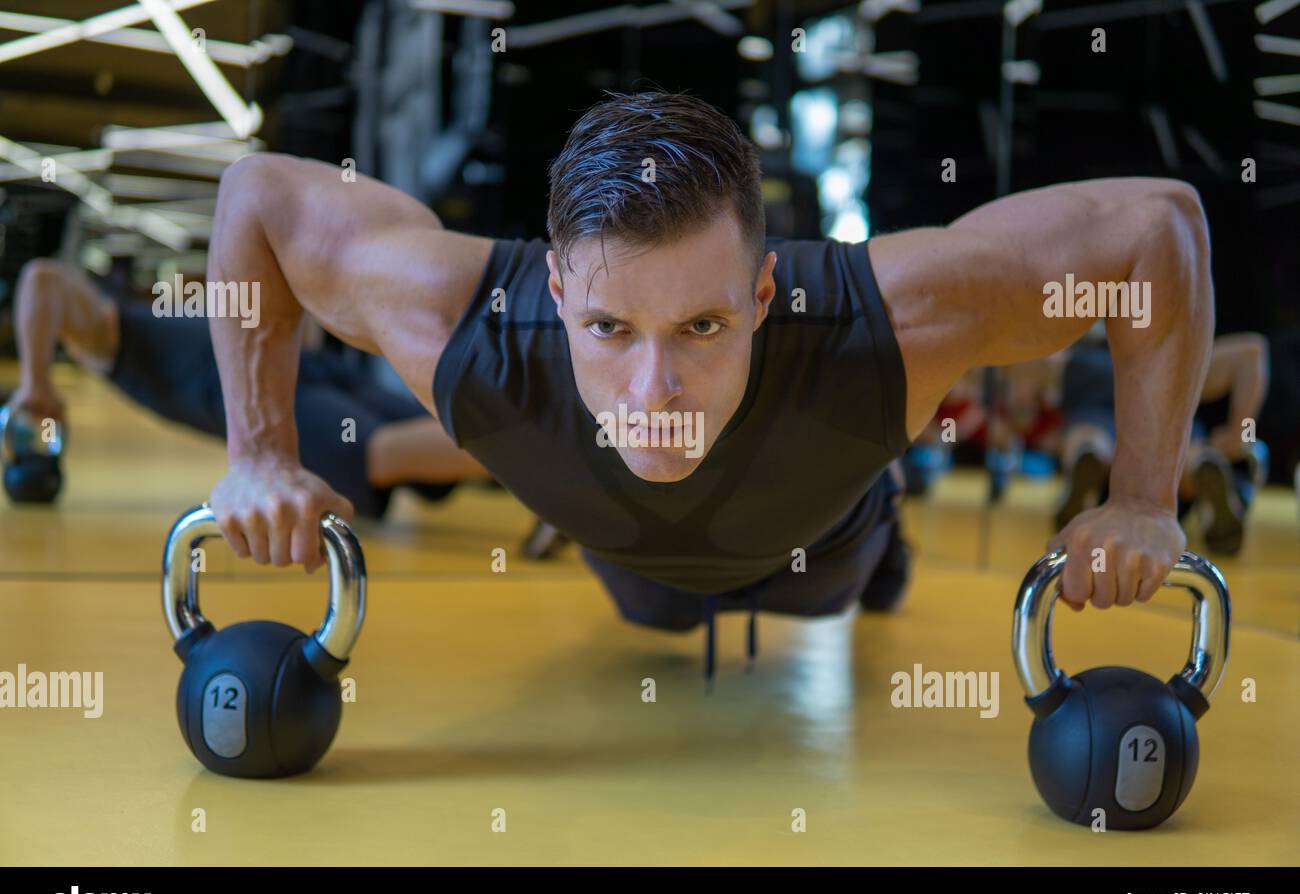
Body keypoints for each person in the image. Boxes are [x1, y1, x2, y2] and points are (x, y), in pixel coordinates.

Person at [200, 91, 1214, 677]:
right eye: (607, 327)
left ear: (765, 287)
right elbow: (258, 199)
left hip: (829, 552)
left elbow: (1153, 230)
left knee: (842, 579)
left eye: (703, 324)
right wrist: (256, 455)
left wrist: (1140, 500)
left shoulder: (883, 322)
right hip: (632, 567)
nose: (654, 386)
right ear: (554, 289)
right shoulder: (456, 320)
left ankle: (884, 510)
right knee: (655, 616)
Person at [4, 257, 489, 522]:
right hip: (300, 369)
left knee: (379, 454)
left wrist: (35, 385)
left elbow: (40, 277)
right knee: (432, 429)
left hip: (275, 398)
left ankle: (555, 454)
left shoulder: (109, 337)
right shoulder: (129, 333)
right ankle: (542, 455)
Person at [1056, 330, 1269, 555]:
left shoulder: (1074, 357)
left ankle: (1089, 453)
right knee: (1179, 446)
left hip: (1091, 375)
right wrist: (1242, 434)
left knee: (1089, 430)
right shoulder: (1167, 358)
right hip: (1159, 386)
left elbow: (1027, 372)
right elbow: (1253, 352)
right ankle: (1199, 464)